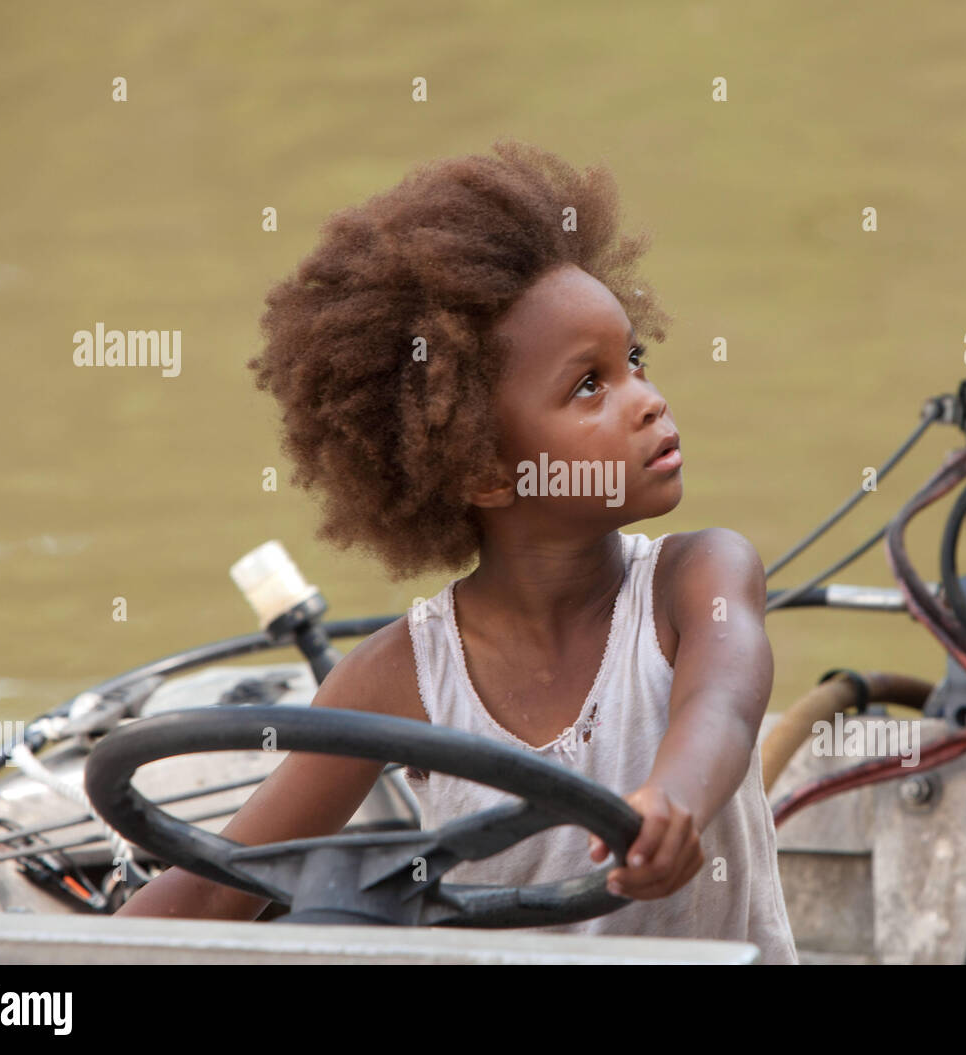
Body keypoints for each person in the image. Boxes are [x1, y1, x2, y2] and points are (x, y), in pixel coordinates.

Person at [116, 139, 797, 964]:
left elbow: (721, 706)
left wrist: (674, 800)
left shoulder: (698, 578)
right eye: (591, 384)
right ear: (480, 467)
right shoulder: (401, 675)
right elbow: (219, 885)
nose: (648, 401)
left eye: (636, 362)